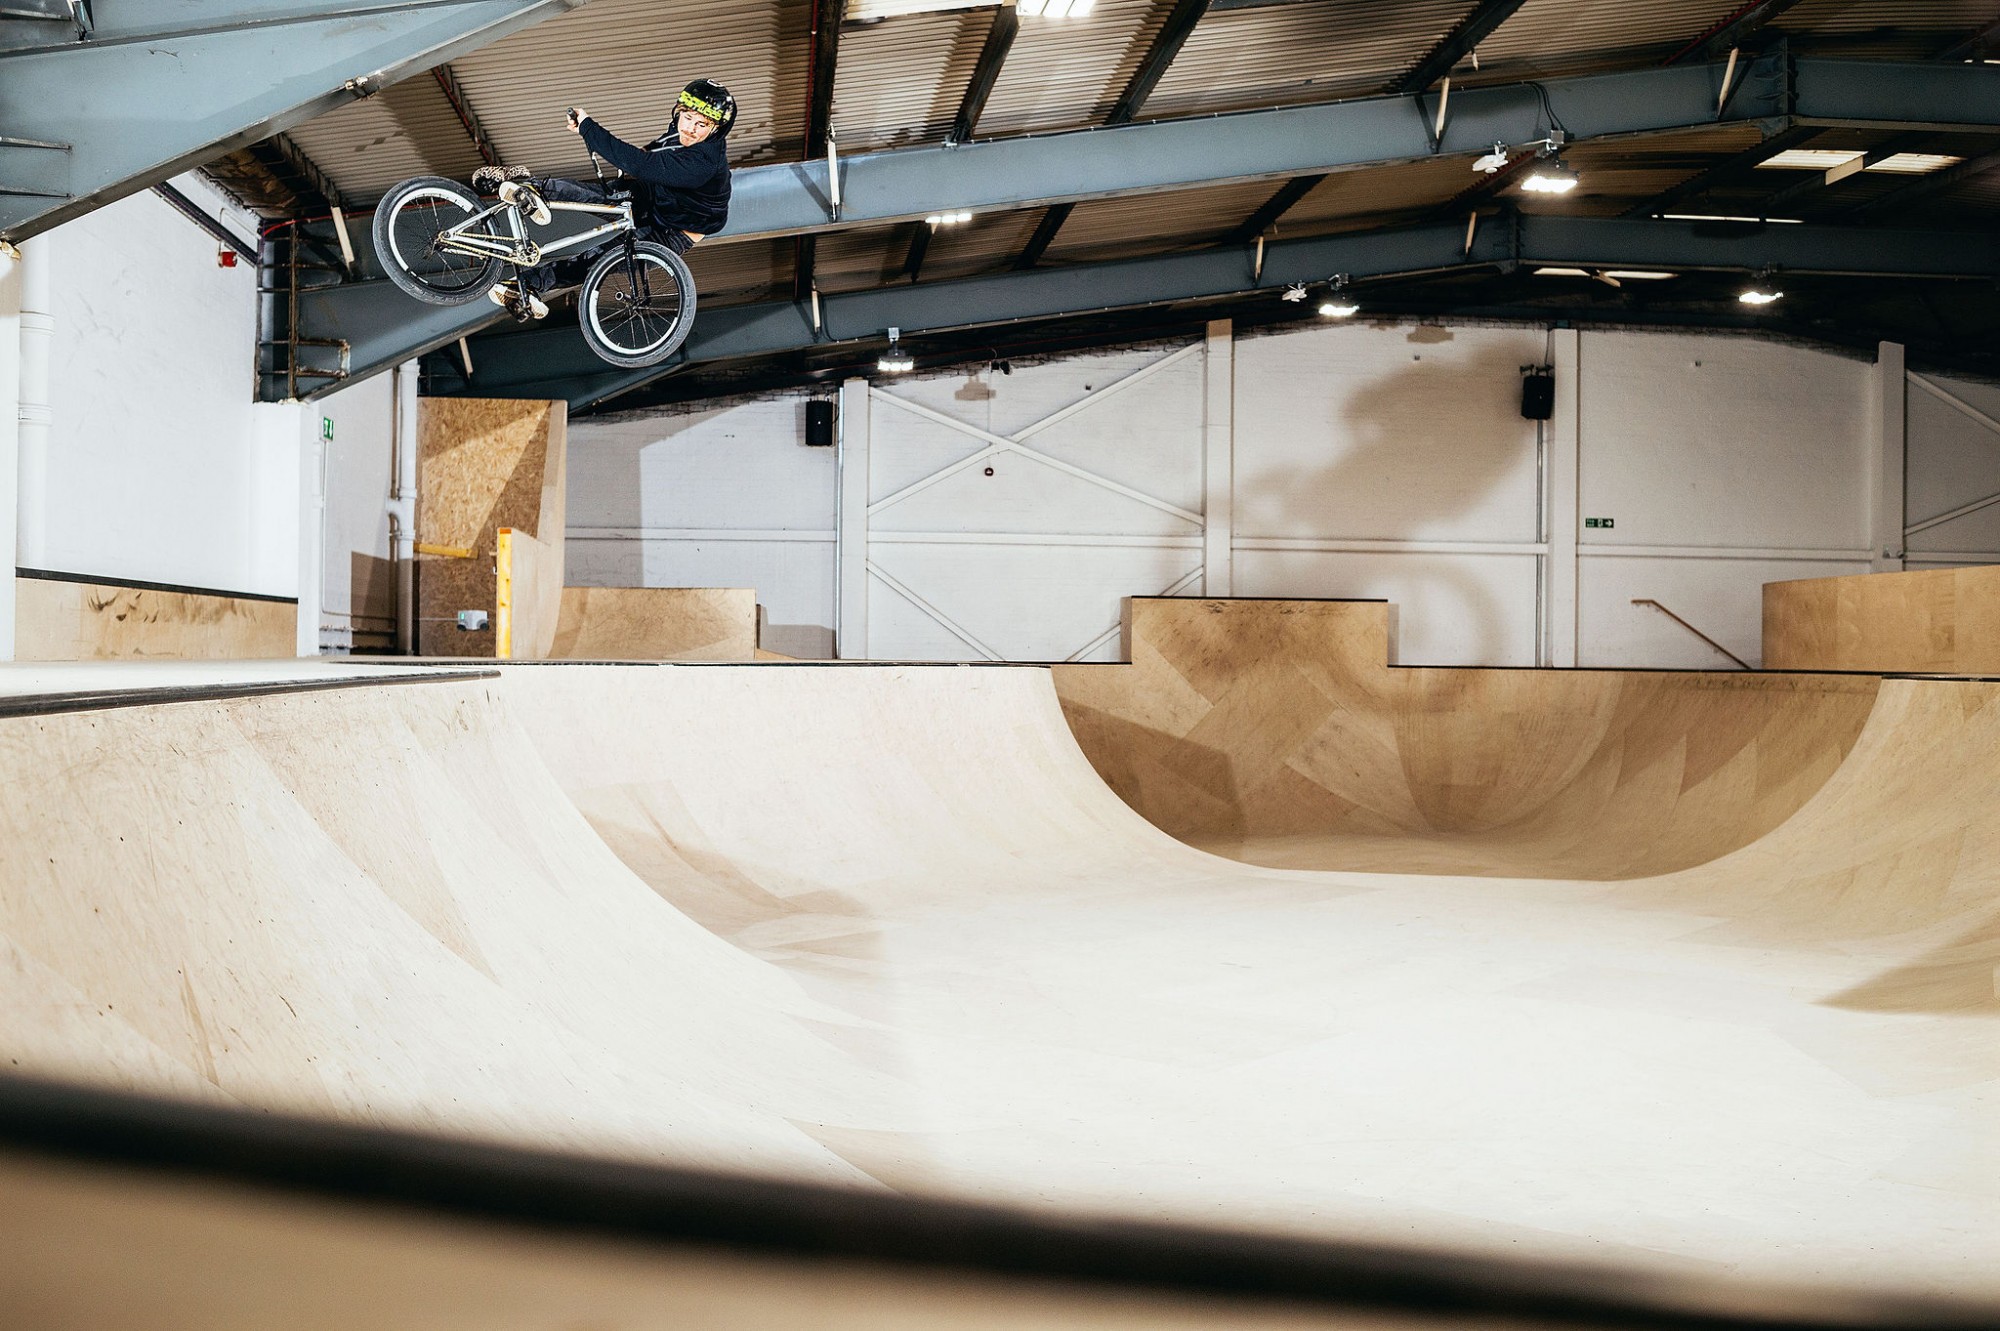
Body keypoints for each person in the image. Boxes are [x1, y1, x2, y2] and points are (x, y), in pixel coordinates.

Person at [473, 78, 735, 320]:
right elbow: (655, 152)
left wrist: (589, 129)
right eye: (687, 118)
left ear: (715, 130)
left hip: (672, 233)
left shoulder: (703, 162)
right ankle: (527, 188)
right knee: (597, 196)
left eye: (701, 125)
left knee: (599, 261)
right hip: (651, 199)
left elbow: (641, 164)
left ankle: (527, 285)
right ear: (679, 112)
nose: (689, 129)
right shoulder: (681, 133)